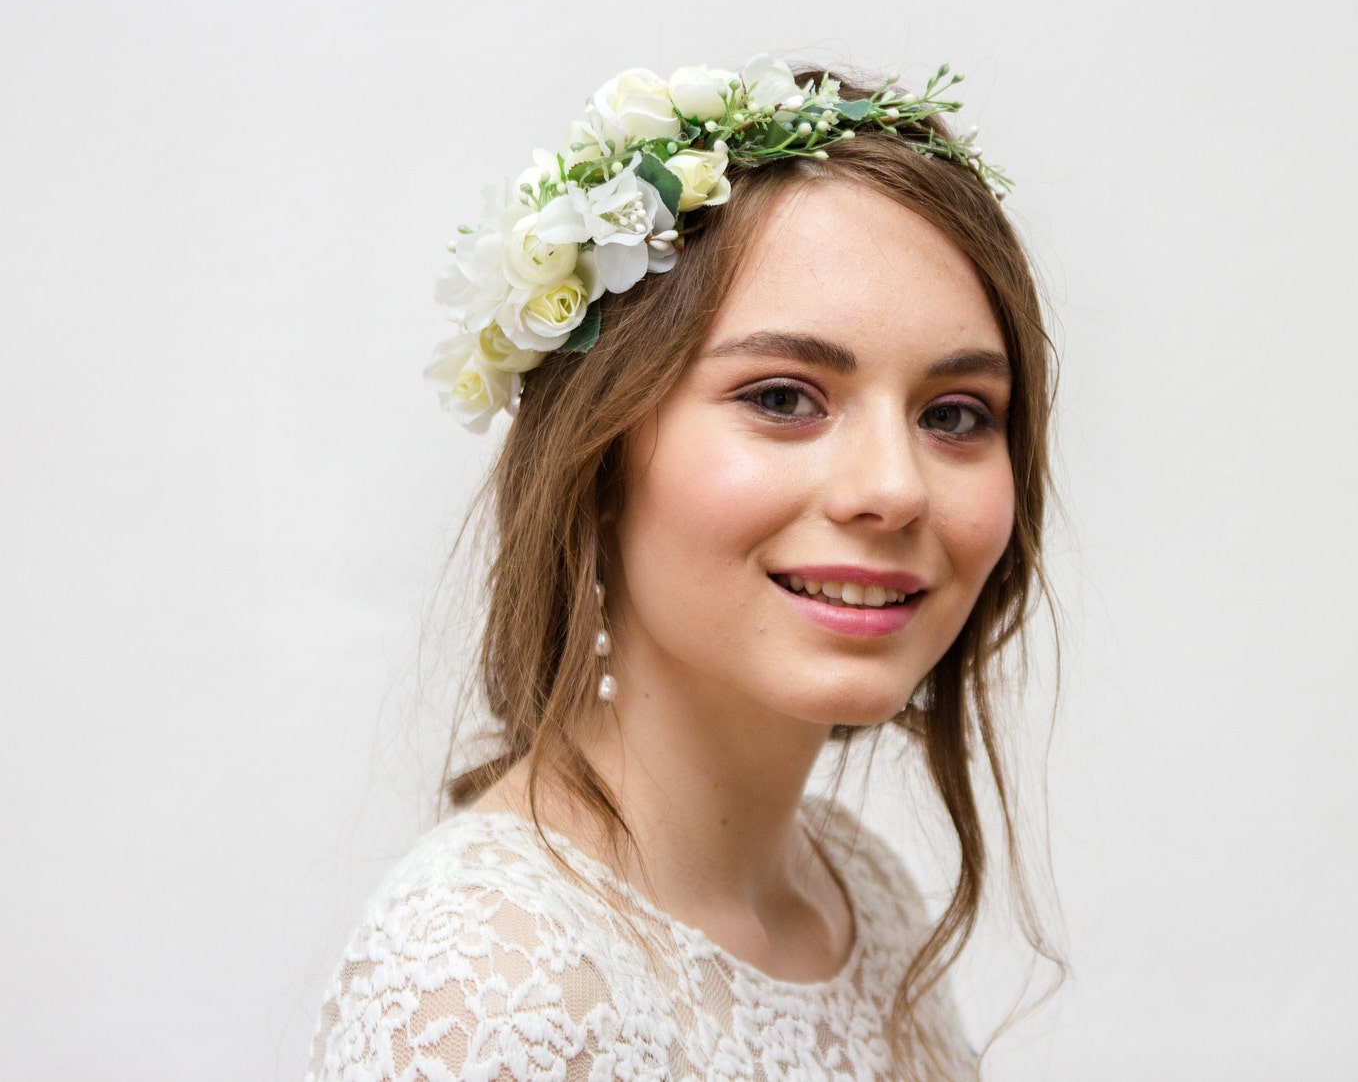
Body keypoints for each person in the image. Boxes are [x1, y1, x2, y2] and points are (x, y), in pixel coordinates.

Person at [306, 55, 1060, 1081]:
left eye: (954, 414)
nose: (894, 488)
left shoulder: (860, 895)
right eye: (784, 397)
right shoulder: (500, 988)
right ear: (599, 454)